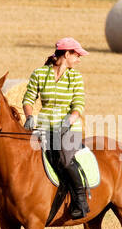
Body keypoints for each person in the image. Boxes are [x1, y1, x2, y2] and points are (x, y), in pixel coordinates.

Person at [23, 38, 89, 219]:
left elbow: (79, 103)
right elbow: (28, 99)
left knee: (63, 159)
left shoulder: (75, 76)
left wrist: (69, 120)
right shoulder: (39, 74)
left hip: (69, 128)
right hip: (44, 127)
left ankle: (80, 200)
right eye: (77, 55)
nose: (79, 59)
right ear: (66, 54)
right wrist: (29, 116)